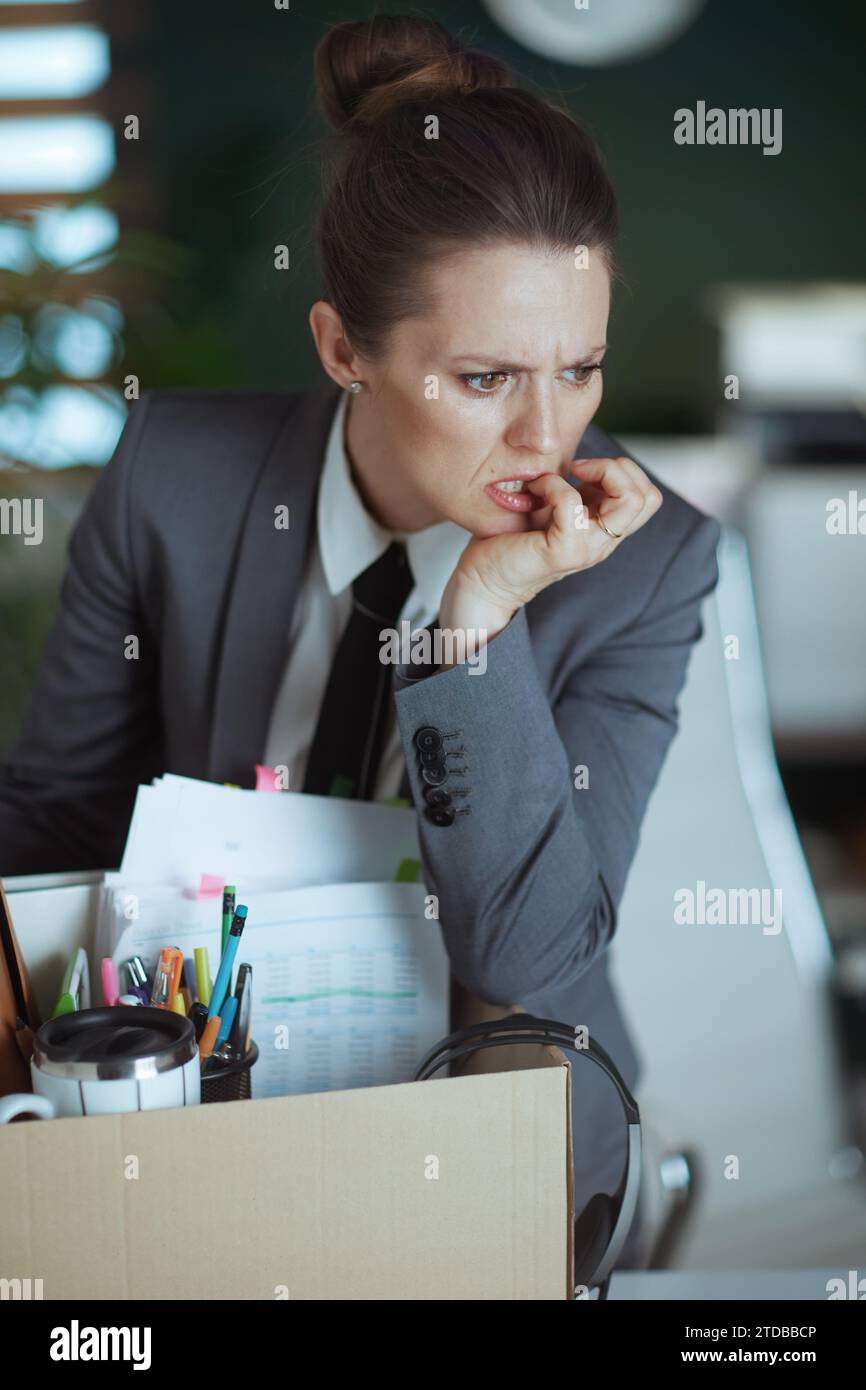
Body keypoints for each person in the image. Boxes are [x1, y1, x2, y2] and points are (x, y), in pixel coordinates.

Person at [0, 16, 720, 1273]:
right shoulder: (172, 479)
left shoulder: (644, 563)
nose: (547, 438)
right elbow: (51, 826)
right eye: (487, 378)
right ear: (345, 350)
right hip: (201, 1109)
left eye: (581, 368)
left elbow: (530, 958)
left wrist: (475, 627)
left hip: (499, 1116)